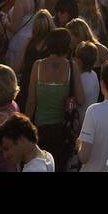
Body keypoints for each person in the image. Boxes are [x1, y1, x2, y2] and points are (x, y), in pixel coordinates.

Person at [25, 26, 81, 171]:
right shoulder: (71, 66)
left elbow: (31, 101)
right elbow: (80, 98)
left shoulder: (37, 66)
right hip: (62, 129)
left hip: (40, 126)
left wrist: (25, 126)